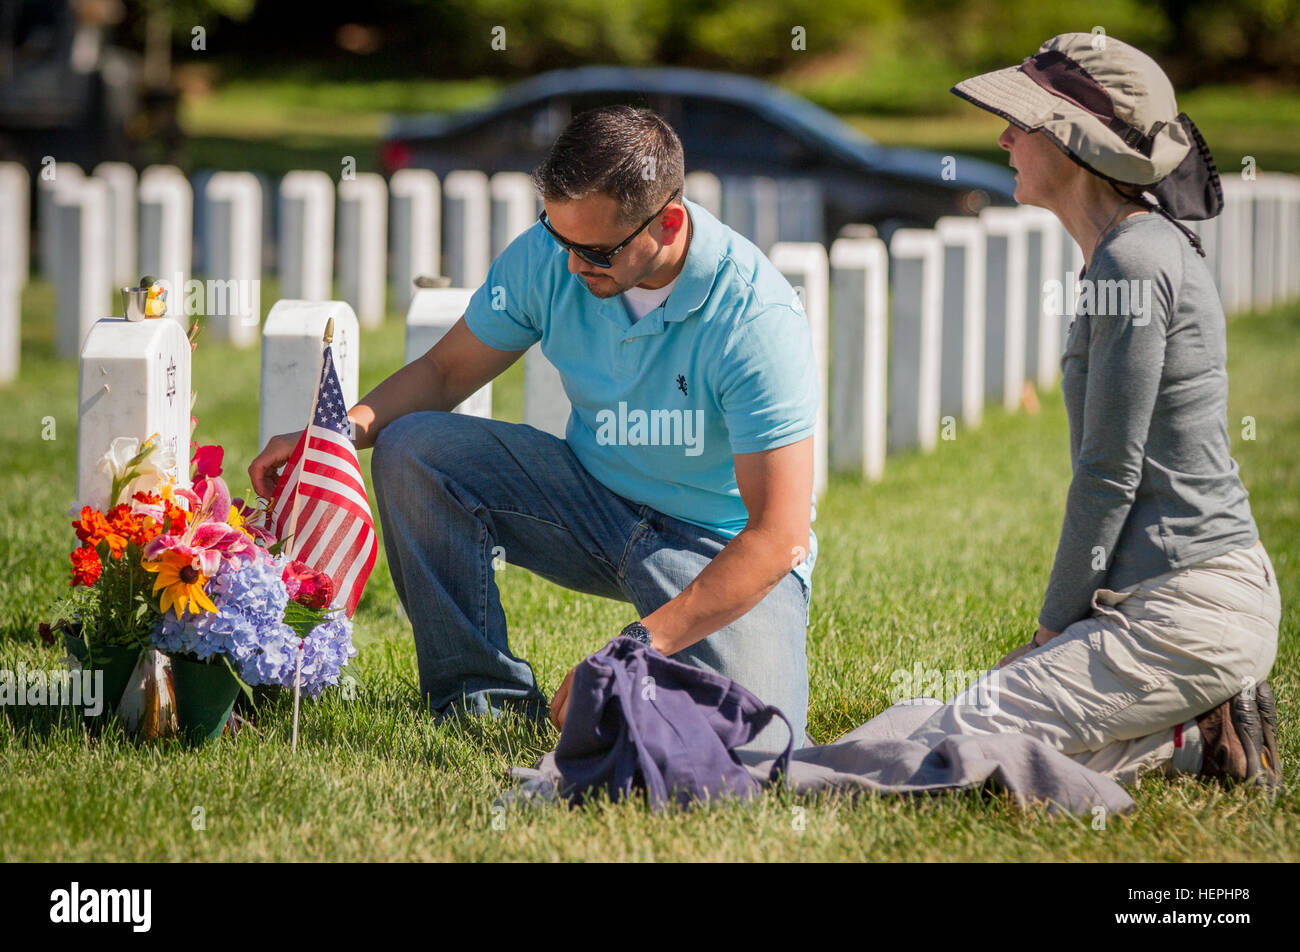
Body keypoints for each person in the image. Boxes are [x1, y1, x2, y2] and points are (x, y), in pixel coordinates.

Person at [249, 106, 818, 754]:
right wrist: (335, 434)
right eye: (558, 235)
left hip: (710, 543)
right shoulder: (553, 255)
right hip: (590, 500)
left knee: (759, 746)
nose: (573, 267)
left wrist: (635, 647)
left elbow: (779, 538)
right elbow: (444, 371)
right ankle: (480, 695)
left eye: (596, 251)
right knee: (415, 451)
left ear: (669, 222)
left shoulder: (755, 318)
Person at [902, 32, 1282, 790]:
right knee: (958, 726)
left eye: (1024, 122)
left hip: (1191, 605)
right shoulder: (1126, 251)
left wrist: (1049, 635)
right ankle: (1199, 736)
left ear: (1075, 146)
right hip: (1169, 601)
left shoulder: (1133, 260)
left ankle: (1196, 713)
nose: (1004, 136)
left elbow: (1109, 472)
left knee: (962, 738)